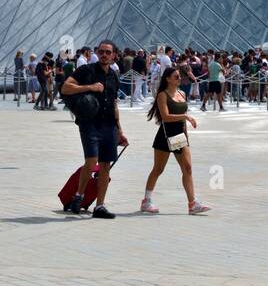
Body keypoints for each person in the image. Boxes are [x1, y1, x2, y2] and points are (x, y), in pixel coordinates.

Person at [60, 39, 123, 218]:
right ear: (97, 52)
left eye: (108, 52)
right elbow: (65, 88)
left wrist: (120, 130)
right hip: (89, 124)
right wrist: (90, 87)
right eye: (101, 51)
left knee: (105, 166)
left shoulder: (114, 75)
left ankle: (100, 206)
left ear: (114, 55)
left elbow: (114, 103)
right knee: (91, 161)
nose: (104, 55)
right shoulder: (86, 70)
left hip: (109, 124)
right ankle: (79, 195)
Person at [140, 66, 211, 215]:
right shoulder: (162, 95)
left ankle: (192, 204)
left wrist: (186, 133)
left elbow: (182, 116)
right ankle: (146, 201)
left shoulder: (182, 93)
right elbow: (165, 117)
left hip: (179, 136)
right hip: (166, 135)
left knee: (188, 168)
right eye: (176, 77)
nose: (179, 78)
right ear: (168, 79)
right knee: (158, 169)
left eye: (179, 76)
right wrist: (185, 117)